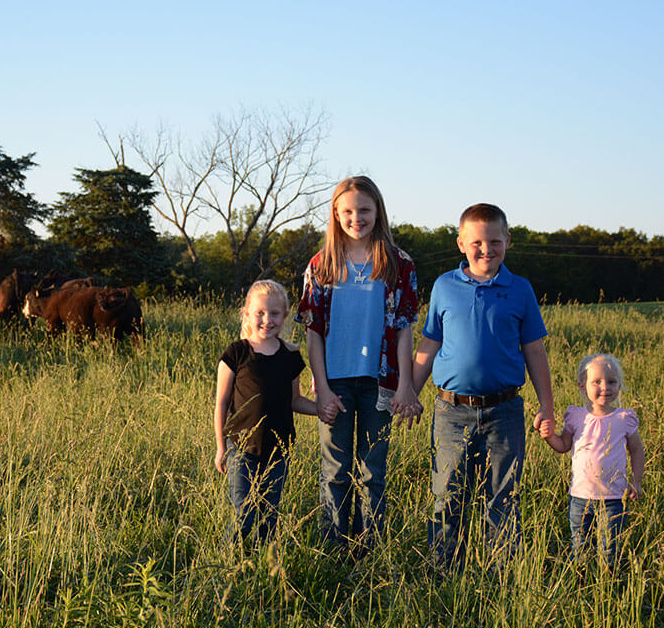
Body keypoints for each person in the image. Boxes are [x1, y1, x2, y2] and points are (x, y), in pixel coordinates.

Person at [410, 203, 555, 572]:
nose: (486, 249)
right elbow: (429, 345)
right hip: (451, 411)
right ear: (461, 243)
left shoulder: (520, 289)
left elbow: (534, 350)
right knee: (447, 494)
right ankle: (444, 573)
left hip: (505, 411)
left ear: (508, 241)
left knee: (503, 496)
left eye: (494, 241)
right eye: (476, 242)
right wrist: (408, 392)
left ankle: (501, 573)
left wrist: (547, 406)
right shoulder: (445, 286)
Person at [296, 176, 420, 555]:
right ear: (335, 214)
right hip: (335, 383)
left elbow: (403, 330)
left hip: (380, 383)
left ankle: (371, 549)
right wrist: (322, 387)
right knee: (335, 471)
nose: (356, 218)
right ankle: (333, 551)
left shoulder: (398, 264)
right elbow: (313, 333)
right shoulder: (321, 265)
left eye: (364, 209)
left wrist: (406, 386)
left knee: (373, 471)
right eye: (347, 211)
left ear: (378, 210)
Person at [214, 280, 317, 545]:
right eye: (259, 312)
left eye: (274, 313)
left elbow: (295, 400)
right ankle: (232, 562)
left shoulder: (291, 357)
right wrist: (220, 447)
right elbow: (221, 403)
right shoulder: (236, 353)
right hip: (241, 448)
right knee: (243, 514)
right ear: (246, 314)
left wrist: (320, 409)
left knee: (269, 515)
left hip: (278, 450)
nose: (267, 319)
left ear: (284, 315)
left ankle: (264, 566)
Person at [538, 353, 645, 567]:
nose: (605, 387)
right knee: (580, 548)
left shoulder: (624, 418)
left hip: (614, 498)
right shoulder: (577, 416)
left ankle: (608, 586)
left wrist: (636, 481)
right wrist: (549, 436)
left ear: (619, 386)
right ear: (582, 386)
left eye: (612, 382)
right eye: (597, 382)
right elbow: (563, 446)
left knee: (610, 550)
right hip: (580, 498)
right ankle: (581, 585)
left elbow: (636, 450)